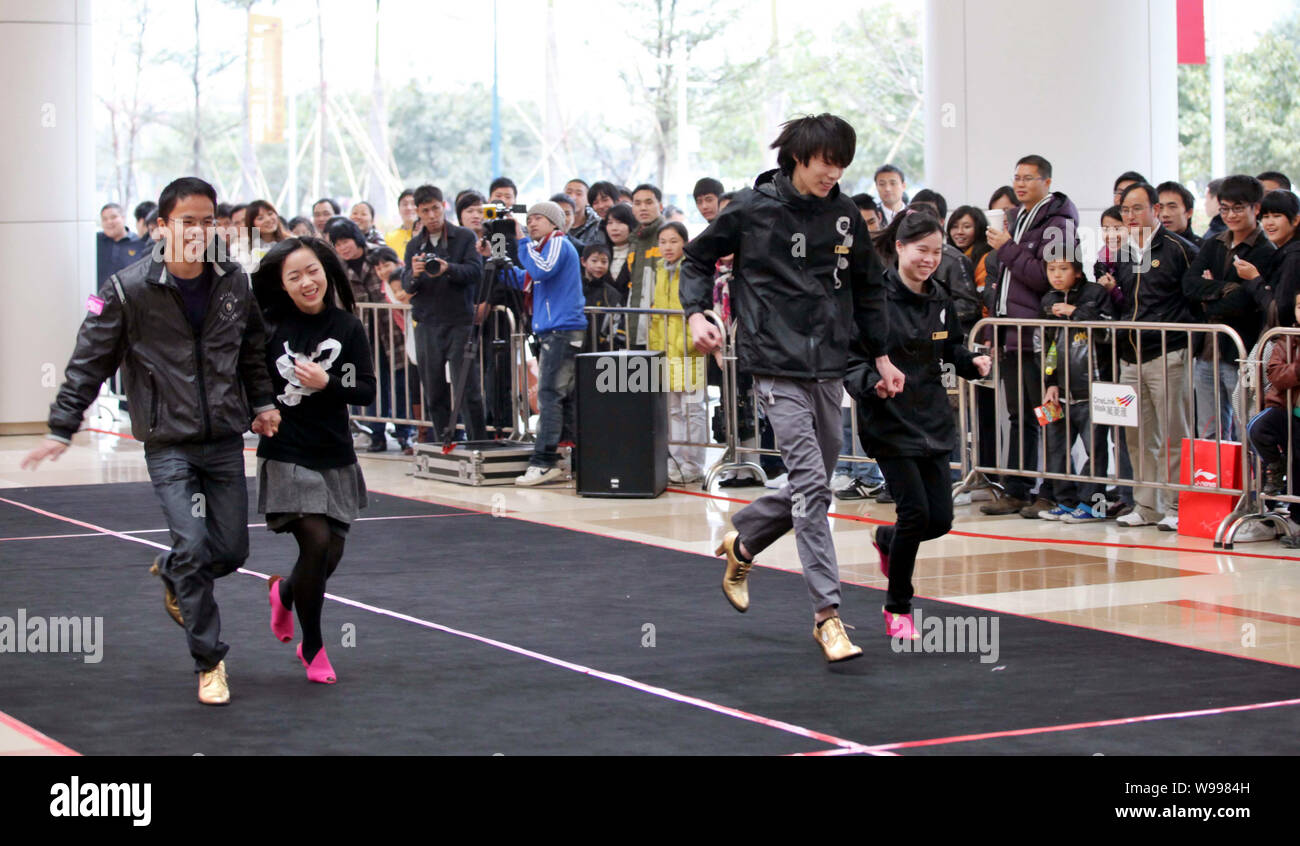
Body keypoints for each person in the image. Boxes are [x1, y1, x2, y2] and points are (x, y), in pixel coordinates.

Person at [25, 177, 280, 705]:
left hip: (225, 439)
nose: (200, 230)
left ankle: (172, 570)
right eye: (188, 220)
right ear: (162, 226)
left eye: (209, 220)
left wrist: (261, 403)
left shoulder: (233, 281)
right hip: (168, 443)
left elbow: (252, 348)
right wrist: (61, 426)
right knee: (191, 542)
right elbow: (87, 362)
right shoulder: (127, 289)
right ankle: (210, 662)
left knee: (230, 549)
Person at [681, 113, 902, 663]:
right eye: (827, 162)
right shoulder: (753, 210)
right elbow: (696, 255)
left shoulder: (846, 214)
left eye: (842, 164)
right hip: (774, 366)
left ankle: (745, 540)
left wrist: (880, 354)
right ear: (799, 158)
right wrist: (696, 312)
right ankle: (828, 616)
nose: (835, 173)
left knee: (814, 482)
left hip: (829, 366)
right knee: (812, 489)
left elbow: (869, 289)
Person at [846, 211, 991, 638]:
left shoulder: (940, 299)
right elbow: (850, 359)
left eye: (936, 252)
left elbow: (951, 350)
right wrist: (873, 383)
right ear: (901, 248)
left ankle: (887, 541)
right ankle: (899, 608)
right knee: (914, 514)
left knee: (939, 520)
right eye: (921, 250)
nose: (929, 259)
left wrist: (972, 363)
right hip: (888, 420)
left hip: (931, 418)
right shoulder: (873, 300)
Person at [251, 237, 374, 684]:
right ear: (281, 285)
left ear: (325, 270)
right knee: (316, 543)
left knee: (330, 555)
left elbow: (365, 390)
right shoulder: (268, 328)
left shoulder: (347, 327)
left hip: (334, 453)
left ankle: (283, 593)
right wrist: (257, 411)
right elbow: (253, 381)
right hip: (286, 451)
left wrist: (327, 383)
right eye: (294, 276)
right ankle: (314, 646)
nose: (307, 282)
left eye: (313, 271)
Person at [979, 154, 1080, 518]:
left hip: (1042, 336)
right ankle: (1017, 488)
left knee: (1048, 414)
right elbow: (1005, 275)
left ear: (1047, 182)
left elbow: (1044, 277)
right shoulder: (1019, 218)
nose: (1020, 184)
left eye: (1028, 178)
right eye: (1016, 177)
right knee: (1019, 415)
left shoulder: (1058, 222)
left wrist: (1005, 246)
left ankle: (1052, 490)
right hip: (1011, 332)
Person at [1105, 183, 1196, 531]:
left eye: (1137, 208)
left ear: (1155, 210)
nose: (1130, 216)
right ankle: (1147, 505)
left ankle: (1176, 504)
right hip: (1131, 356)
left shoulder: (1178, 249)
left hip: (1168, 352)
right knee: (1138, 435)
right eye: (1125, 210)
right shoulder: (1124, 251)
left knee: (1173, 432)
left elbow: (1192, 299)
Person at [1184, 174, 1275, 447]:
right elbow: (1189, 285)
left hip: (1242, 352)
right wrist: (1228, 288)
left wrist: (1211, 291)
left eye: (1238, 208)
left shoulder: (1266, 250)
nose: (1230, 215)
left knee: (1244, 429)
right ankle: (1217, 489)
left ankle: (1251, 489)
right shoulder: (1214, 243)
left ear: (1255, 208)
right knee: (1209, 432)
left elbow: (1245, 302)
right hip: (1206, 352)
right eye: (1225, 208)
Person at [401, 184, 486, 443]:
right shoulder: (415, 245)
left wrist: (448, 267)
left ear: (444, 206)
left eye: (435, 209)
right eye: (425, 211)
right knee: (433, 390)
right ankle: (441, 443)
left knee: (467, 389)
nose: (432, 216)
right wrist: (414, 274)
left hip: (459, 321)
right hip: (427, 323)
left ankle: (477, 443)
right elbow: (406, 285)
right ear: (418, 212)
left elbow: (475, 271)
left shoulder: (464, 238)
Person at [513, 201, 587, 485]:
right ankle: (566, 456)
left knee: (549, 395)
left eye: (538, 219)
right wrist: (496, 256)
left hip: (561, 330)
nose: (531, 223)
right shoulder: (541, 249)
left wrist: (520, 243)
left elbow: (541, 270)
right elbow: (527, 278)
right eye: (529, 219)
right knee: (561, 396)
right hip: (554, 331)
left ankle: (543, 460)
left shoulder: (557, 243)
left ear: (555, 223)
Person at [1037, 257, 1113, 522]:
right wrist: (1049, 382)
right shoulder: (1047, 300)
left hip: (1093, 389)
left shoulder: (1096, 294)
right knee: (1055, 448)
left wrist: (1075, 312)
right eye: (1051, 269)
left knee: (1096, 449)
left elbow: (1108, 329)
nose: (1056, 275)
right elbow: (1047, 347)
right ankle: (1065, 501)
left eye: (1063, 269)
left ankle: (1093, 504)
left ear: (1078, 272)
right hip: (1059, 392)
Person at [649, 221, 708, 483]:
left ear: (684, 242)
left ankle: (694, 463)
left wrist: (692, 342)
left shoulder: (692, 269)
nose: (668, 247)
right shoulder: (659, 270)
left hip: (689, 350)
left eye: (673, 241)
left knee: (693, 408)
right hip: (665, 351)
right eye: (663, 241)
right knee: (672, 409)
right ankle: (674, 459)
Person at [626, 183, 666, 348]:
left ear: (661, 206)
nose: (643, 207)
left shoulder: (668, 235)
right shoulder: (633, 238)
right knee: (640, 373)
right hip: (635, 320)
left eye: (649, 202)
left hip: (662, 321)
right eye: (637, 203)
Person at [1259, 189, 1300, 312]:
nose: (1269, 223)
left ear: (1295, 220)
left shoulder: (1295, 255)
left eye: (1277, 216)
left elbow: (1281, 307)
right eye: (1265, 217)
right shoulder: (1282, 251)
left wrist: (1254, 279)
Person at [580, 242, 626, 350]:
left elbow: (617, 323)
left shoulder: (613, 294)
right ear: (583, 261)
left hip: (602, 352)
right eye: (594, 261)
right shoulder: (573, 288)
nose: (599, 265)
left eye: (604, 261)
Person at [96, 203, 146, 288]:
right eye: (104, 219)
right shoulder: (95, 241)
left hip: (128, 298)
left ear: (123, 218)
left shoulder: (140, 243)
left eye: (113, 217)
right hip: (96, 298)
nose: (109, 222)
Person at [241, 199, 291, 272]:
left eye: (270, 213)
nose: (268, 219)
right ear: (252, 224)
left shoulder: (290, 242)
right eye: (260, 218)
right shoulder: (245, 247)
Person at [603, 203, 638, 297]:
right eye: (610, 223)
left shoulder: (639, 253)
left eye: (620, 222)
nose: (614, 228)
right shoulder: (601, 252)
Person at [1156, 180, 1202, 248]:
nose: (1165, 214)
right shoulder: (1148, 248)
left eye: (1172, 207)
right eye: (1160, 207)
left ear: (1189, 212)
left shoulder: (1201, 248)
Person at [565, 178, 604, 246]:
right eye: (569, 193)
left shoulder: (597, 224)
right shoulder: (554, 225)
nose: (572, 197)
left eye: (579, 194)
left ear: (588, 200)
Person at [385, 189, 420, 258]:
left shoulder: (428, 234)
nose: (409, 208)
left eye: (413, 204)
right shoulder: (389, 237)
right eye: (405, 204)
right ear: (399, 208)